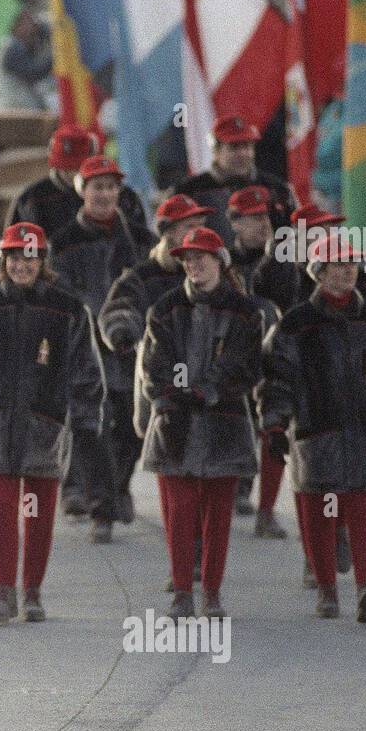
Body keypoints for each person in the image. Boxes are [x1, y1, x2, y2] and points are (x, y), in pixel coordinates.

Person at [259, 237, 366, 622]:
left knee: (365, 508)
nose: (346, 271)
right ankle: (327, 589)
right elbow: (277, 382)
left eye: (352, 264)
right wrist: (275, 427)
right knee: (321, 511)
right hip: (318, 436)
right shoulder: (294, 326)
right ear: (319, 273)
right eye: (337, 265)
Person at [0, 222, 105, 625]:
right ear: (4, 260)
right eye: (15, 256)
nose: (22, 264)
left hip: (44, 429)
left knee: (36, 509)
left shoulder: (68, 311)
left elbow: (86, 371)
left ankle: (33, 590)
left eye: (30, 257)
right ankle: (5, 590)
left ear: (42, 261)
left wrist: (86, 421)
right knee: (2, 506)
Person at [136, 227, 263, 619]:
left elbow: (245, 366)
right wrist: (181, 393)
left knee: (218, 515)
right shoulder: (165, 309)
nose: (193, 264)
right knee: (181, 511)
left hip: (225, 424)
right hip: (176, 423)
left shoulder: (245, 312)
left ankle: (211, 591)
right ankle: (181, 592)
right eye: (187, 258)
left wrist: (209, 389)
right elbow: (156, 365)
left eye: (201, 257)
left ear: (220, 262)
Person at [48, 155, 152, 540]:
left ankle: (119, 486)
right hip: (86, 346)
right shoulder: (62, 243)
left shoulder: (141, 240)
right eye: (98, 187)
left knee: (132, 422)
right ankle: (101, 507)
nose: (105, 194)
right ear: (82, 192)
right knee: (92, 425)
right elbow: (60, 294)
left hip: (133, 346)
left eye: (111, 187)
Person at [99, 194, 213, 531]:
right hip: (143, 374)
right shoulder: (142, 274)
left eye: (200, 226)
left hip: (197, 375)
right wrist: (123, 332)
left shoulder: (207, 270)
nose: (197, 233)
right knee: (128, 439)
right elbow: (120, 305)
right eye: (189, 227)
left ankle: (193, 523)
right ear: (168, 233)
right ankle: (110, 498)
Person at [225, 185, 284, 531]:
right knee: (236, 425)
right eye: (254, 218)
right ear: (234, 222)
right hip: (234, 360)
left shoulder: (281, 260)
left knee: (275, 427)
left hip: (273, 358)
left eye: (267, 217)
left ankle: (267, 509)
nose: (263, 224)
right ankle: (237, 490)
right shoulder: (220, 262)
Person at [9, 124, 148, 241]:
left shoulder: (124, 197)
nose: (73, 173)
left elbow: (142, 244)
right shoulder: (31, 199)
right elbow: (15, 252)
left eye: (78, 167)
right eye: (66, 167)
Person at [174, 115, 297, 246]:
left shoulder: (276, 188)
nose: (243, 153)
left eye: (247, 146)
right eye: (234, 147)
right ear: (216, 150)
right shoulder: (190, 191)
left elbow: (294, 232)